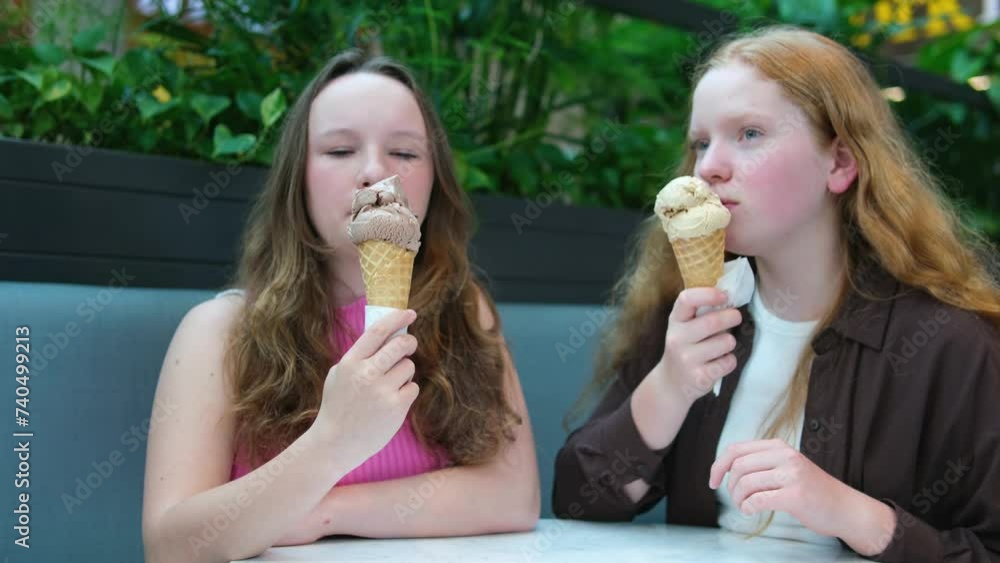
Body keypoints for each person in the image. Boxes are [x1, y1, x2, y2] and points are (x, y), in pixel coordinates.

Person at [553, 25, 1000, 562]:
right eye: (700, 142)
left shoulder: (951, 344)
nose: (709, 166)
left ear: (839, 163)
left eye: (749, 134)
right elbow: (579, 504)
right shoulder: (696, 313)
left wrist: (853, 513)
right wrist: (670, 385)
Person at [142, 50, 540, 563]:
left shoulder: (464, 309)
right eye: (339, 150)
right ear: (298, 179)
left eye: (405, 152)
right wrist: (332, 441)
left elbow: (514, 495)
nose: (375, 171)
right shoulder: (219, 332)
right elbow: (169, 545)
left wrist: (321, 511)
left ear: (435, 182)